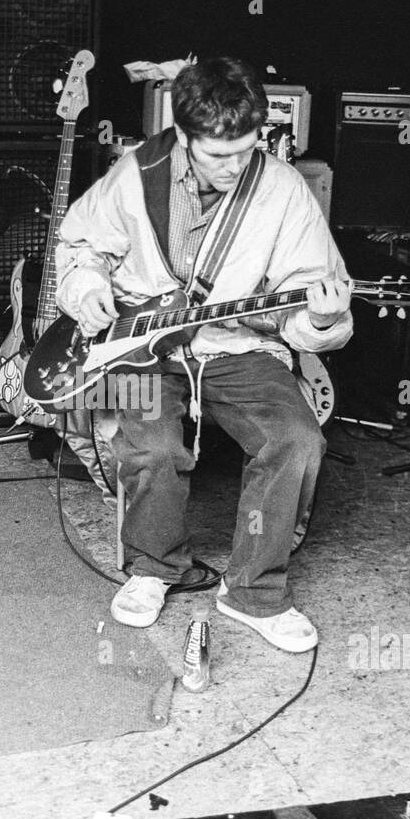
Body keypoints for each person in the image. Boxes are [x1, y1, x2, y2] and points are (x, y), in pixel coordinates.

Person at [54, 56, 353, 652]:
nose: (236, 165)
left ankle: (254, 592)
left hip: (237, 344)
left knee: (295, 438)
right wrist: (87, 292)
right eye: (219, 155)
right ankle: (153, 566)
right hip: (135, 346)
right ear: (184, 137)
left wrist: (321, 318)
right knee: (152, 444)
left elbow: (311, 305)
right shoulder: (135, 173)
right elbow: (79, 248)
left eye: (247, 149)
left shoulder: (285, 190)